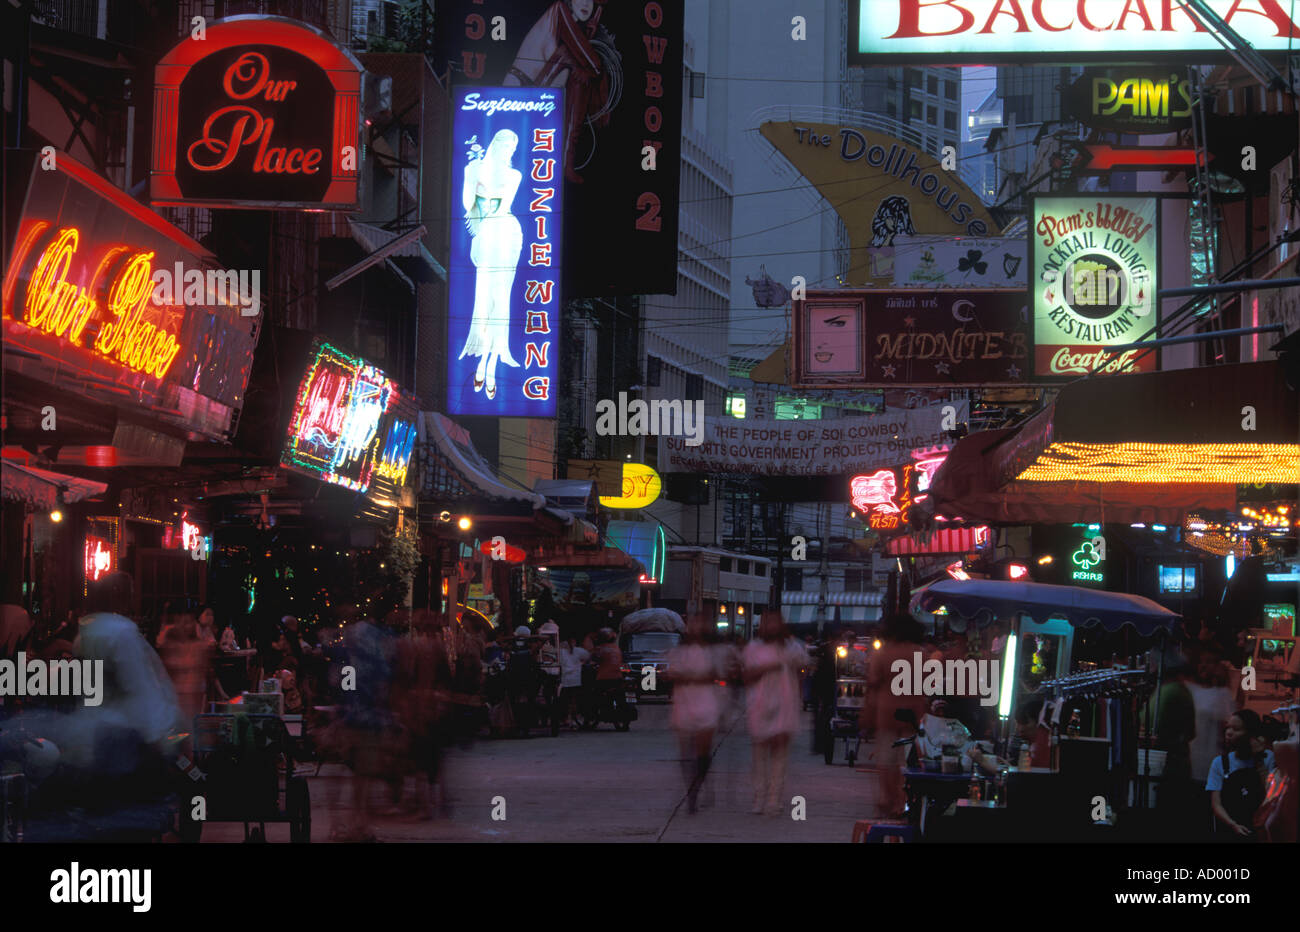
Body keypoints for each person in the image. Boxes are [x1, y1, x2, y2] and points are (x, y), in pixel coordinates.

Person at [502, 0, 613, 183]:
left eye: (590, 0)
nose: (586, 4)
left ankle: (566, 161)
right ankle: (566, 161)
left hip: (537, 98)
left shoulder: (571, 23)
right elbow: (591, 62)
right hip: (519, 92)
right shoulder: (559, 10)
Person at [459, 129, 523, 400]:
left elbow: (502, 206)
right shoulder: (473, 167)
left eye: (512, 149)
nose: (507, 152)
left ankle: (491, 367)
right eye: (503, 146)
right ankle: (483, 364)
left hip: (506, 234)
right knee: (483, 299)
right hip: (485, 235)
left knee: (501, 300)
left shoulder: (514, 175)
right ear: (495, 144)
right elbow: (466, 202)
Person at [742, 612, 809, 815]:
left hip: (784, 703)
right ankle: (759, 798)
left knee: (780, 754)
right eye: (767, 622)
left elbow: (803, 668)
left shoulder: (792, 647)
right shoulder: (753, 647)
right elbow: (746, 676)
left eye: (775, 622)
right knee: (760, 754)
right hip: (760, 704)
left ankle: (774, 799)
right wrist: (768, 667)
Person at [863, 613, 928, 820]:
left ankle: (887, 799)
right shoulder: (921, 653)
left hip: (887, 713)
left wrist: (867, 713)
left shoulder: (883, 654)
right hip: (913, 716)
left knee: (887, 762)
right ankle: (903, 802)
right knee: (907, 764)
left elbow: (873, 686)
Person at [668, 615, 721, 813]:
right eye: (693, 625)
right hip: (684, 702)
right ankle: (692, 792)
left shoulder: (712, 652)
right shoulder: (679, 652)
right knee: (685, 752)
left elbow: (718, 674)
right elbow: (671, 674)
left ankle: (698, 787)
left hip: (706, 702)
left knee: (702, 751)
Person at [1208, 708, 1276, 841]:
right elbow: (1216, 804)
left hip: (1260, 828)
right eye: (1228, 728)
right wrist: (1233, 825)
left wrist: (1259, 762)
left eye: (1236, 729)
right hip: (1229, 829)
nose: (1229, 733)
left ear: (1252, 734)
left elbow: (1271, 796)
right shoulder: (1220, 763)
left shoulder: (1268, 758)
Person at [558, 636, 590, 727]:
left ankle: (566, 719)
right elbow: (588, 656)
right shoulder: (579, 651)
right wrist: (581, 663)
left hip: (566, 681)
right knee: (574, 701)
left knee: (566, 701)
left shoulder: (561, 652)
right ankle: (573, 718)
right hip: (576, 680)